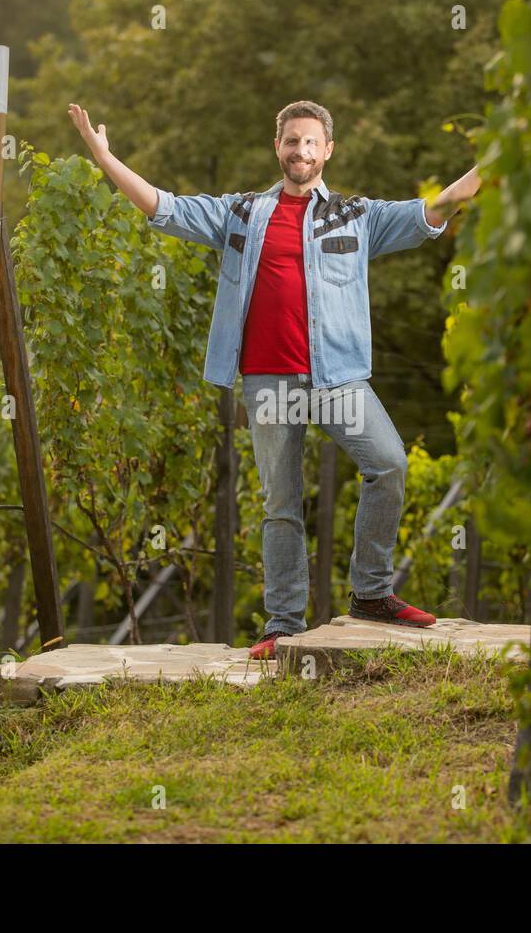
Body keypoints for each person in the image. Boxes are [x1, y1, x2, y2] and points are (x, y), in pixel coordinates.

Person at [67, 99, 481, 659]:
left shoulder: (357, 216)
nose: (301, 151)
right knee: (281, 503)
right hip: (269, 383)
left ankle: (372, 593)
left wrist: (494, 163)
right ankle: (283, 624)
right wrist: (102, 156)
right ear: (278, 148)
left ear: (328, 151)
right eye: (292, 141)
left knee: (388, 464)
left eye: (311, 142)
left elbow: (437, 208)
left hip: (338, 379)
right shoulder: (240, 214)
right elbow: (163, 207)